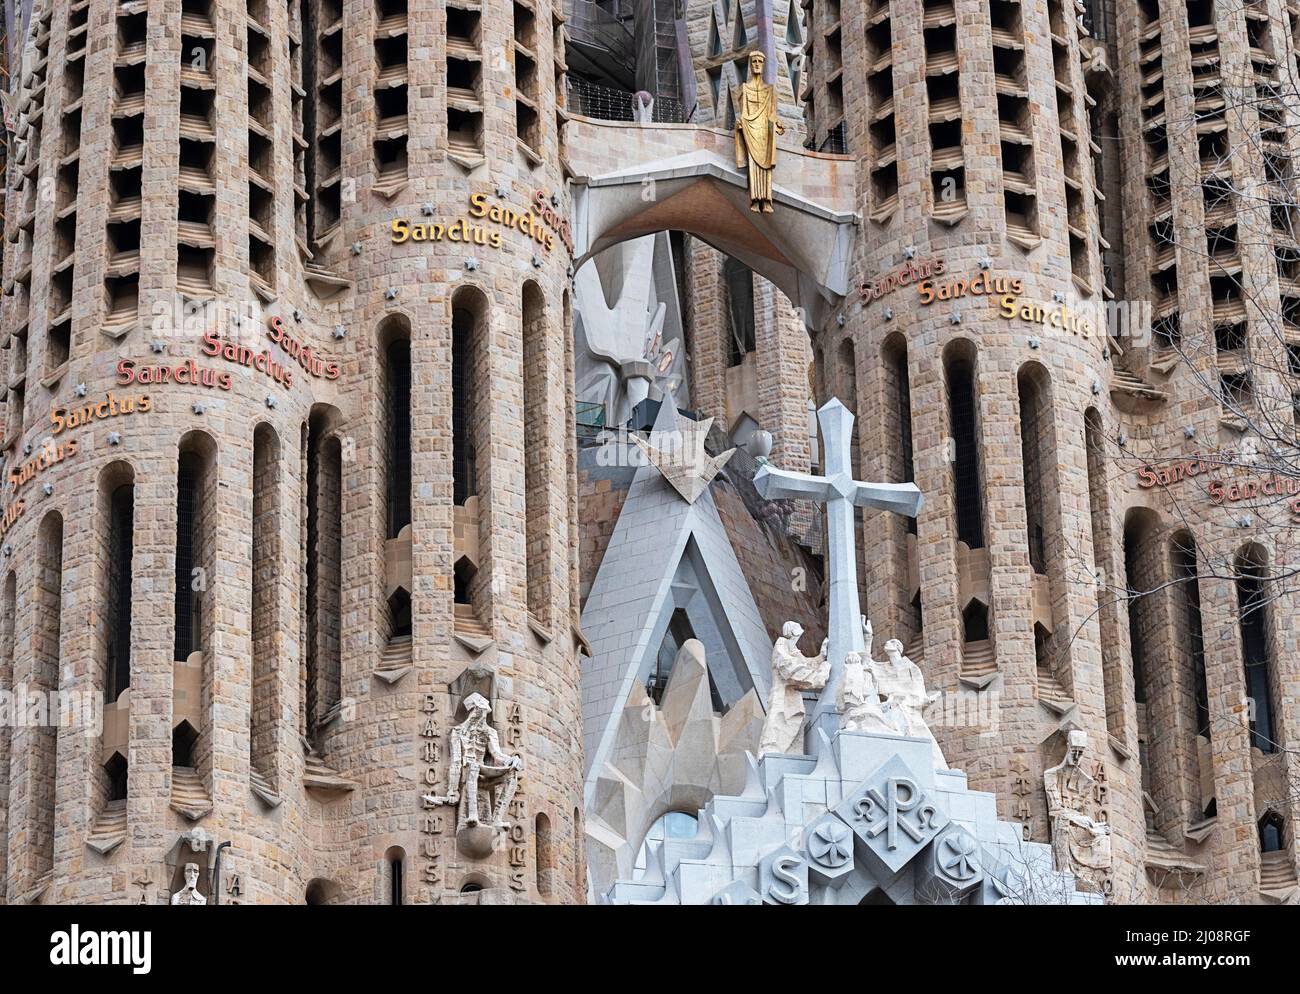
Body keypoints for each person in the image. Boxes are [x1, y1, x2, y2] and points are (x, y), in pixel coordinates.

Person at [758, 621, 829, 756]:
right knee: (777, 724)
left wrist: (821, 656)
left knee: (792, 727)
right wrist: (819, 676)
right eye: (797, 634)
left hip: (793, 699)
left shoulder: (793, 650)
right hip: (782, 696)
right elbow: (790, 670)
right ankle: (770, 750)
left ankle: (786, 755)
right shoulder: (781, 646)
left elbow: (806, 664)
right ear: (792, 633)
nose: (798, 637)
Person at [734, 51, 785, 213]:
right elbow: (743, 112)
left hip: (765, 131)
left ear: (763, 65)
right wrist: (740, 123)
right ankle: (755, 199)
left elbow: (772, 113)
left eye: (759, 62)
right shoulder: (744, 89)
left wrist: (776, 123)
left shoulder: (770, 90)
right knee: (754, 165)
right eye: (754, 61)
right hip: (750, 129)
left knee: (766, 164)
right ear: (750, 65)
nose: (756, 64)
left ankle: (767, 199)